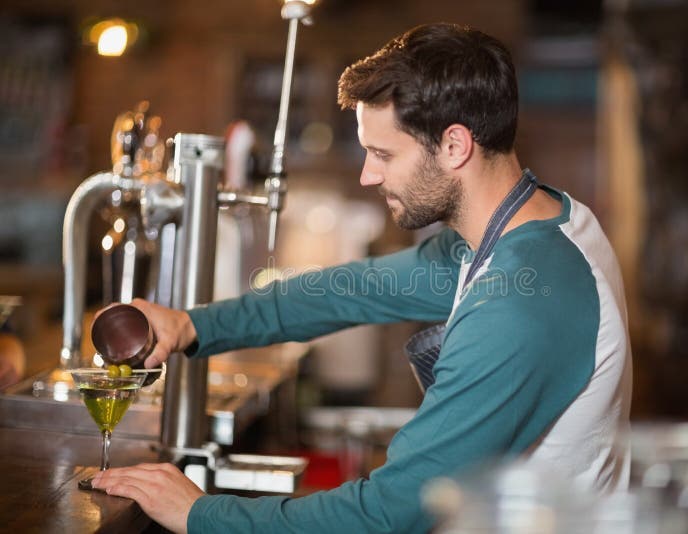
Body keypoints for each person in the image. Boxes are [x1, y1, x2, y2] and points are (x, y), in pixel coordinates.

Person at [91, 22, 632, 533]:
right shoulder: (532, 226)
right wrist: (191, 325)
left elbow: (387, 515)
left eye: (382, 154)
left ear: (454, 145)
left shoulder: (521, 301)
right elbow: (345, 291)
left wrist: (201, 515)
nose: (367, 174)